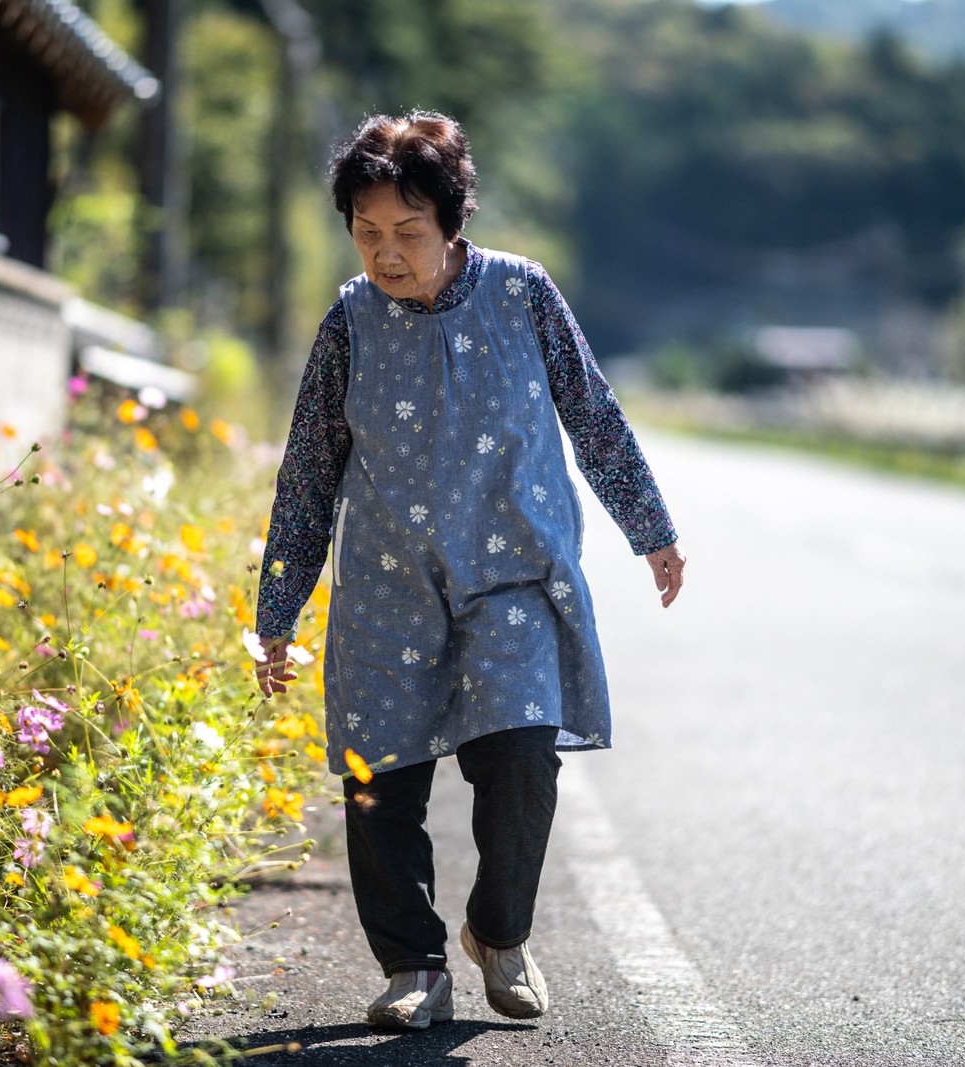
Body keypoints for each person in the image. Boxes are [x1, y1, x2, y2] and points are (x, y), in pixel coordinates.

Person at [254, 110, 685, 1031]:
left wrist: (650, 527)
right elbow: (307, 471)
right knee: (379, 783)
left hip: (513, 576)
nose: (387, 253)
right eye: (368, 232)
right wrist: (278, 609)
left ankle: (500, 930)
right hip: (385, 584)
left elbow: (592, 415)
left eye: (408, 232)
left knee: (525, 754)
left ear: (453, 225)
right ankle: (412, 962)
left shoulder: (523, 295)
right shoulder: (349, 321)